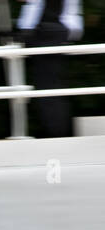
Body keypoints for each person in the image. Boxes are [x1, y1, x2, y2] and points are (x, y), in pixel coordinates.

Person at [17, 1, 84, 138]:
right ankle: (57, 131)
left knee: (47, 88)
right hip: (57, 30)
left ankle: (56, 133)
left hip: (45, 32)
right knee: (52, 86)